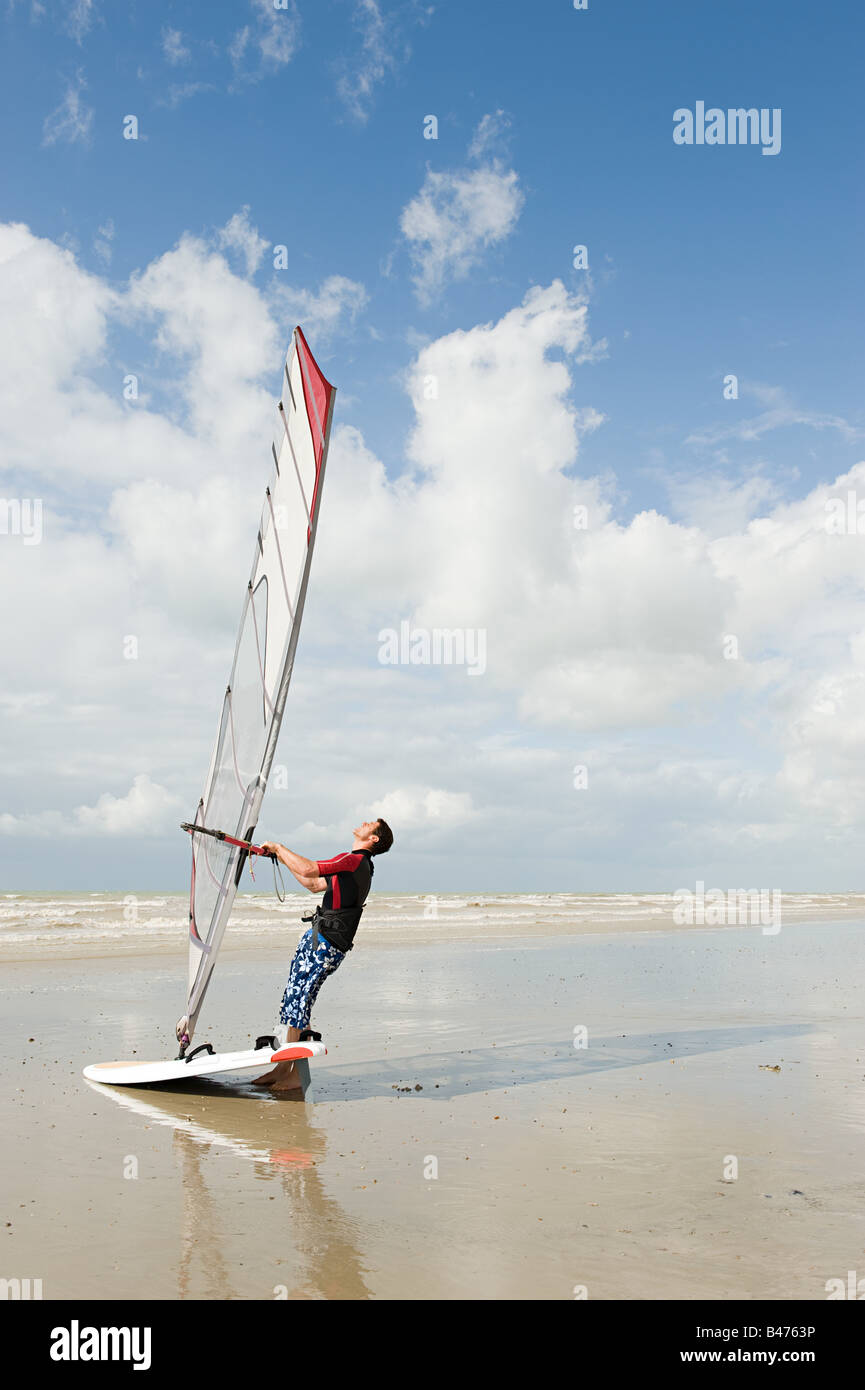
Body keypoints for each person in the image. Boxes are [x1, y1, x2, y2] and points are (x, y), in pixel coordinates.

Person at [253, 817, 394, 1092]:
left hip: (326, 942)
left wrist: (279, 848)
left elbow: (308, 868)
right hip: (323, 939)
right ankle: (283, 1068)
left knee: (300, 1001)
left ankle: (295, 1075)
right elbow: (314, 884)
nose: (363, 822)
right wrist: (280, 858)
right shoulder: (359, 867)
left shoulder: (354, 860)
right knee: (294, 999)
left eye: (370, 823)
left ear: (373, 838)